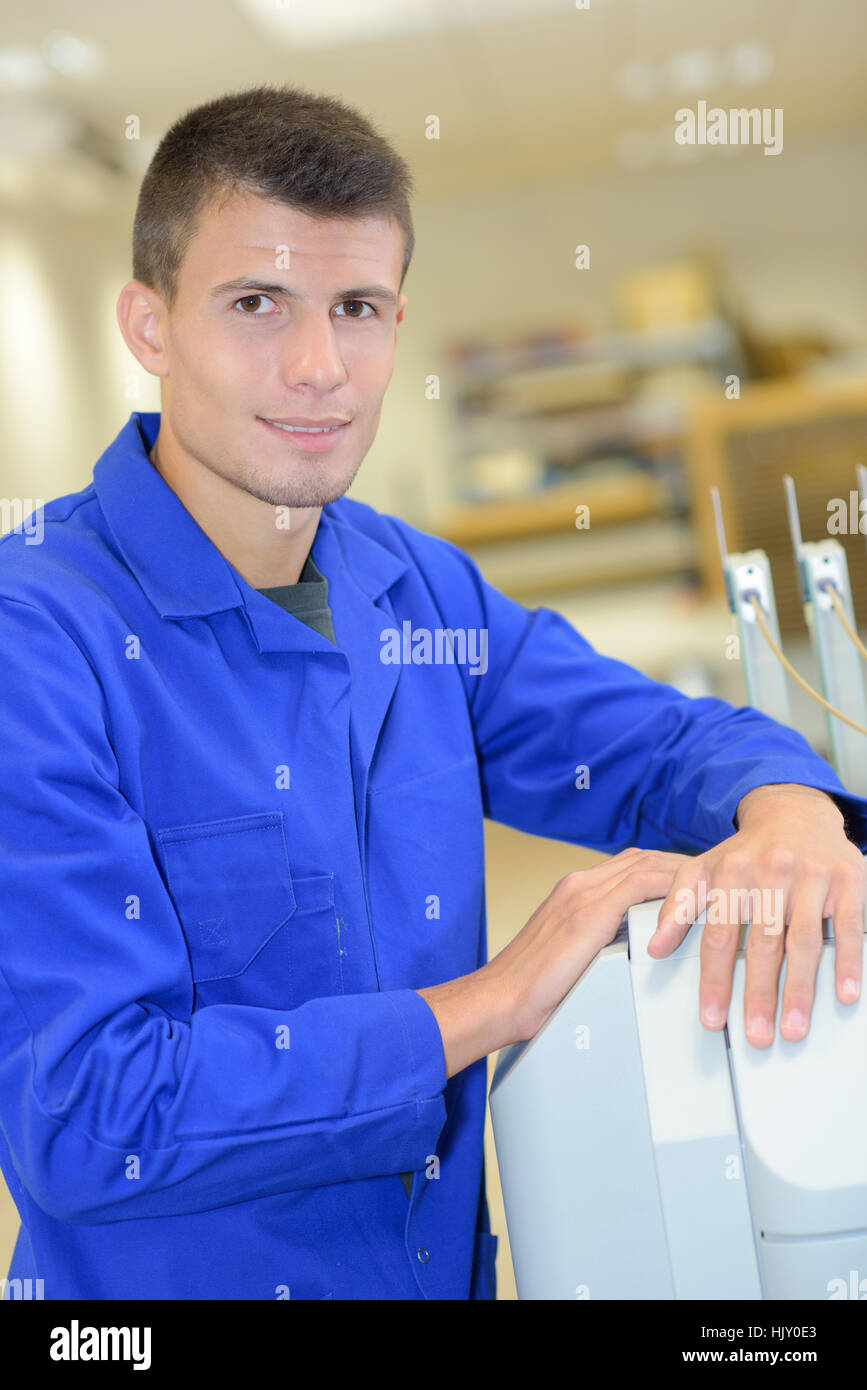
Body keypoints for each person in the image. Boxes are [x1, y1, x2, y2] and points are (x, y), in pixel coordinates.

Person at [0, 84, 865, 1302]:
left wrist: (790, 812)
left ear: (399, 318)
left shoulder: (411, 592)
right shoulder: (37, 641)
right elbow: (88, 1108)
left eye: (357, 309)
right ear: (149, 323)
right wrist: (490, 1003)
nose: (318, 367)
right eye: (258, 305)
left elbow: (655, 744)